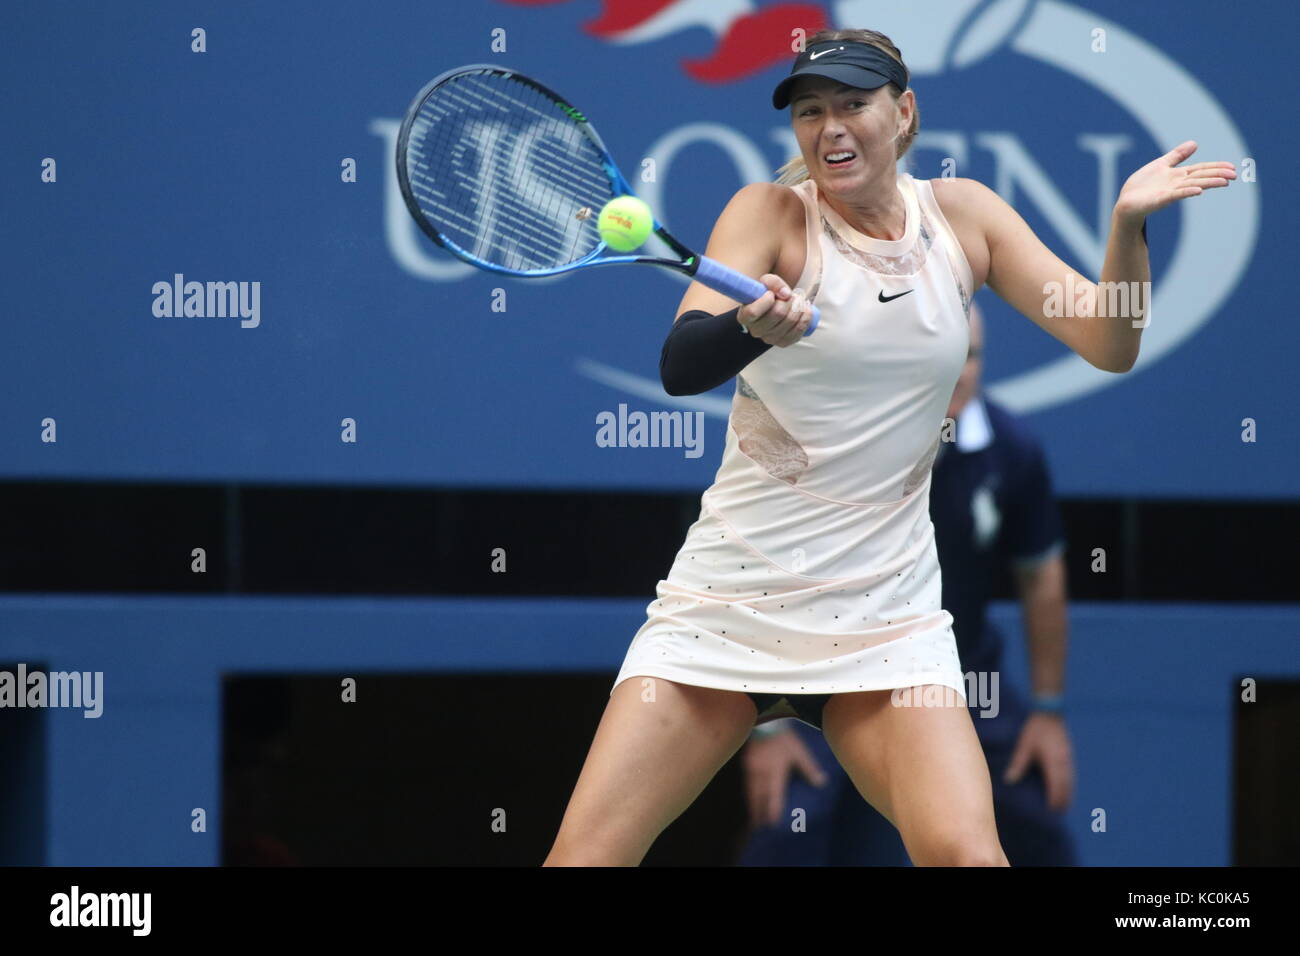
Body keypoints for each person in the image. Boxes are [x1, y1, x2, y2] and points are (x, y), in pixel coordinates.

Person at [543, 26, 1234, 867]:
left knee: (969, 857)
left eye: (852, 104)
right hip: (725, 607)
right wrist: (750, 328)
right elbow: (683, 365)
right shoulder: (768, 214)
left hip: (885, 620)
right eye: (809, 110)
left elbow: (1108, 341)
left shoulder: (966, 219)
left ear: (902, 113)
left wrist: (1127, 226)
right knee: (586, 857)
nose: (829, 126)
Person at [737, 301, 1079, 866]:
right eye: (950, 356)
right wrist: (767, 728)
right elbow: (765, 575)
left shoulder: (1013, 450)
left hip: (964, 677)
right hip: (828, 678)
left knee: (1034, 820)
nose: (963, 371)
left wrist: (1048, 710)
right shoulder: (841, 443)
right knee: (786, 831)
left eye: (974, 357)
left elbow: (1042, 576)